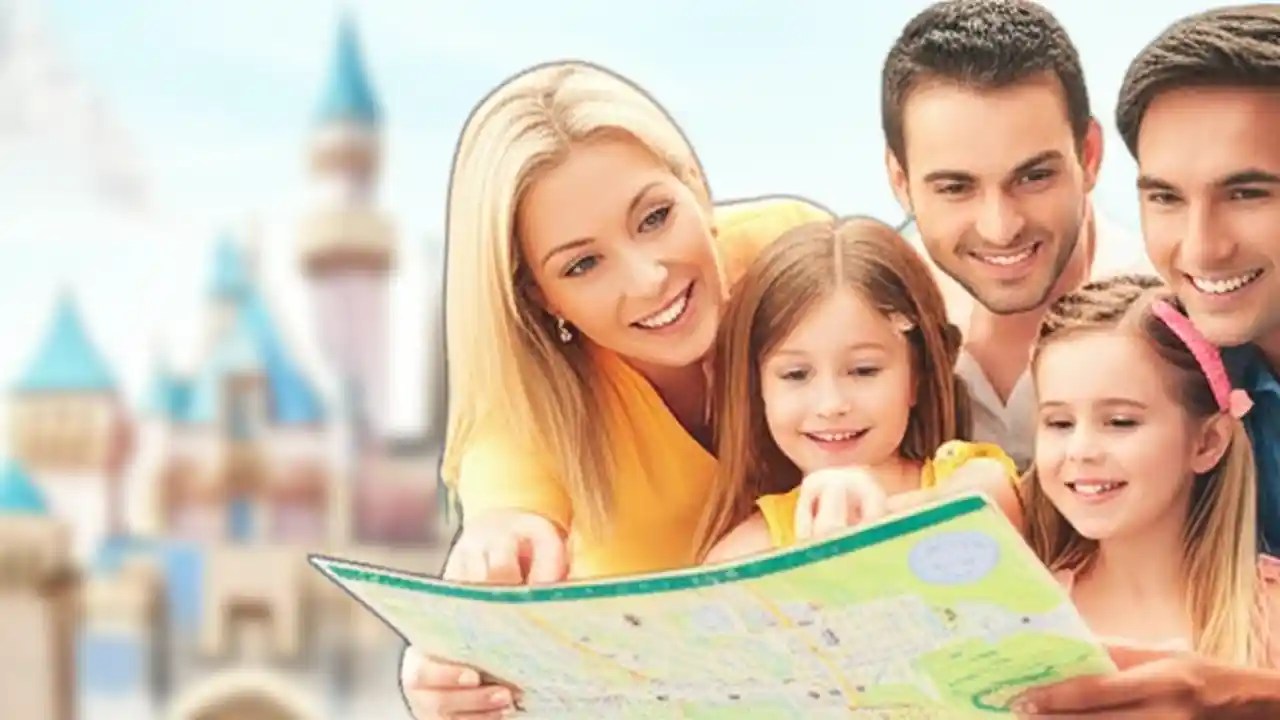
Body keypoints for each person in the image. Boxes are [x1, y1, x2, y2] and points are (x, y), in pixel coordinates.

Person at [402, 60, 832, 719]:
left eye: (656, 217)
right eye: (582, 264)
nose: (648, 277)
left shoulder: (798, 254)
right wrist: (450, 664)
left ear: (692, 181)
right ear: (536, 296)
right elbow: (500, 538)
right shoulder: (525, 409)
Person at [1016, 6, 1280, 717]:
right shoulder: (1197, 359)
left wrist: (1241, 694)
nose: (1201, 247)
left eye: (1248, 192)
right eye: (1165, 197)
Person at [881, 0, 1151, 471]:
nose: (1000, 228)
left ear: (1088, 155)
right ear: (900, 181)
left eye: (1033, 178)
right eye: (955, 187)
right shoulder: (875, 322)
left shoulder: (1171, 316)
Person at [694, 216, 1020, 563]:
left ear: (917, 377)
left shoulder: (977, 480)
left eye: (864, 370)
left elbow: (983, 506)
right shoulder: (744, 556)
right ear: (758, 388)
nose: (831, 404)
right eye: (795, 374)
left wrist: (863, 508)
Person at [1022, 275, 1277, 663]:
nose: (1081, 450)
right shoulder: (1023, 620)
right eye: (1059, 423)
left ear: (1208, 443)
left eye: (1121, 422)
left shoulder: (1269, 615)